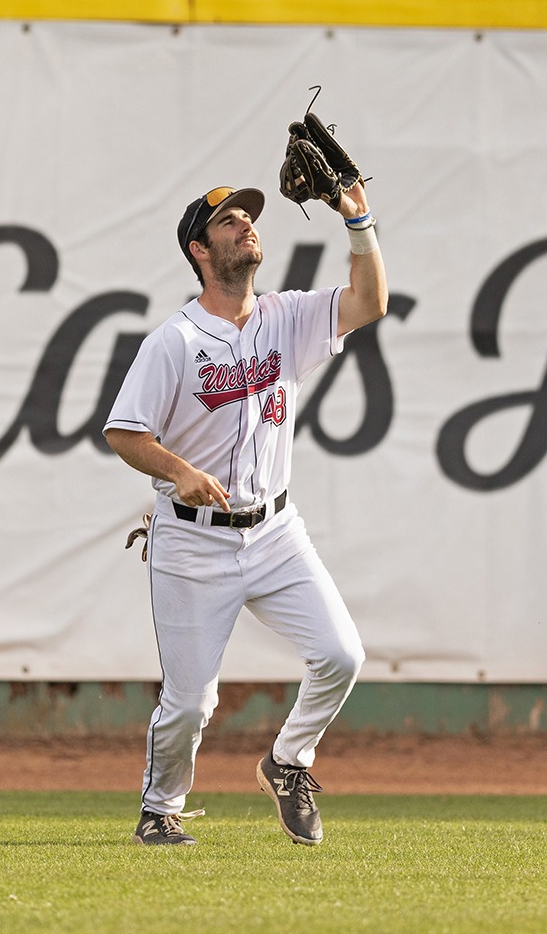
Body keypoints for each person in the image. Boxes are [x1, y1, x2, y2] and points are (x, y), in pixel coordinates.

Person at [103, 178, 388, 846]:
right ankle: (160, 808)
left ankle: (287, 763)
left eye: (248, 217)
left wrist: (360, 220)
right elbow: (124, 431)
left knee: (342, 654)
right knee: (192, 702)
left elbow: (370, 300)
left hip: (276, 531)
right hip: (192, 542)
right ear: (200, 250)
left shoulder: (285, 318)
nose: (245, 225)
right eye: (228, 222)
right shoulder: (174, 340)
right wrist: (180, 473)